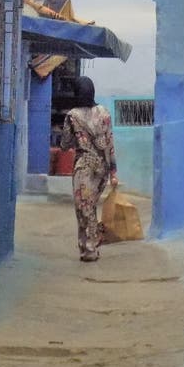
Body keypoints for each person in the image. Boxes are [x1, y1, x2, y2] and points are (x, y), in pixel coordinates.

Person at [60, 76, 118, 262]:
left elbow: (64, 144)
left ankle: (90, 247)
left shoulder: (72, 116)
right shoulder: (104, 113)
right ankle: (89, 245)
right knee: (90, 206)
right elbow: (110, 144)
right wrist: (113, 172)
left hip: (84, 166)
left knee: (83, 208)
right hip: (102, 168)